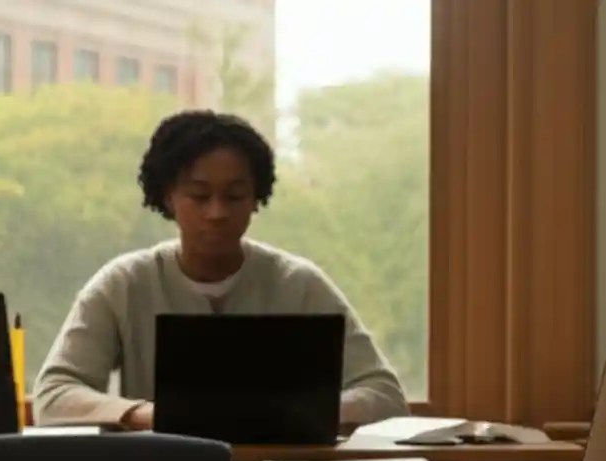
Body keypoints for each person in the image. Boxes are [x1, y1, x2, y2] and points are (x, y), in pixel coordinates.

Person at [32, 110, 409, 430]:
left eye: (234, 196)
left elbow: (385, 394)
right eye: (199, 196)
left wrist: (299, 414)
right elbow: (53, 395)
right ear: (168, 197)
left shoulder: (298, 283)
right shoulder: (125, 284)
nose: (217, 213)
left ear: (256, 198)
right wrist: (147, 414)